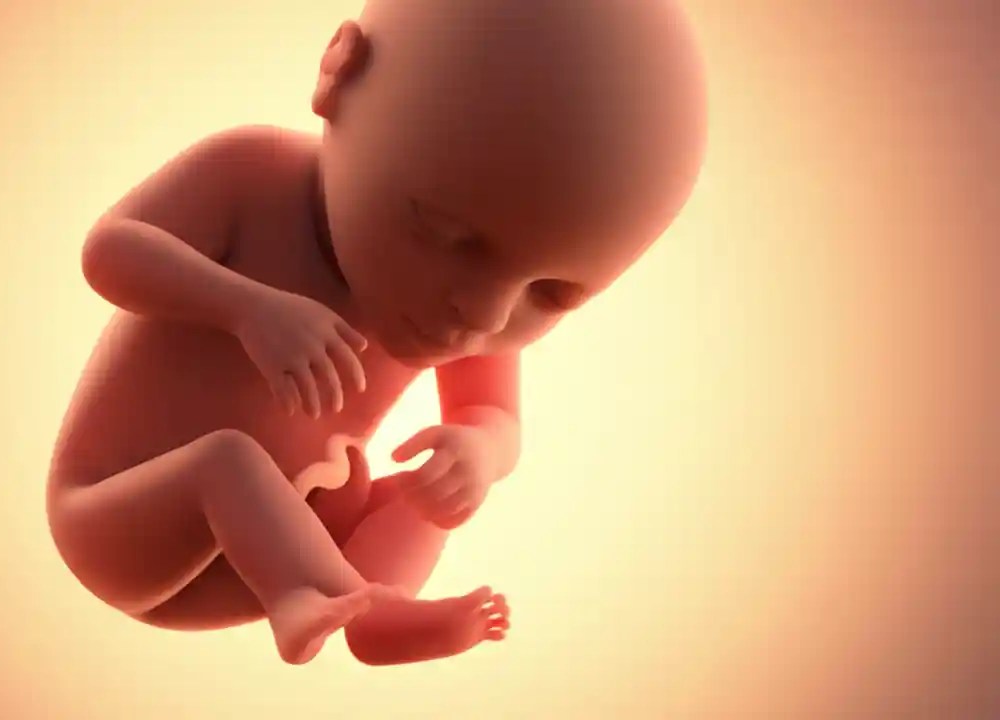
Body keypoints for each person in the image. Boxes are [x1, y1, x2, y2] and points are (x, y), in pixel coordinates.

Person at [46, 0, 708, 666]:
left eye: (552, 294)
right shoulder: (252, 174)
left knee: (434, 490)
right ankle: (309, 593)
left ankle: (377, 612)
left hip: (282, 546)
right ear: (339, 77)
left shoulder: (472, 321)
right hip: (118, 528)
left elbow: (495, 419)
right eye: (442, 233)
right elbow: (110, 250)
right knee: (229, 460)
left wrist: (477, 451)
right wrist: (247, 308)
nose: (480, 314)